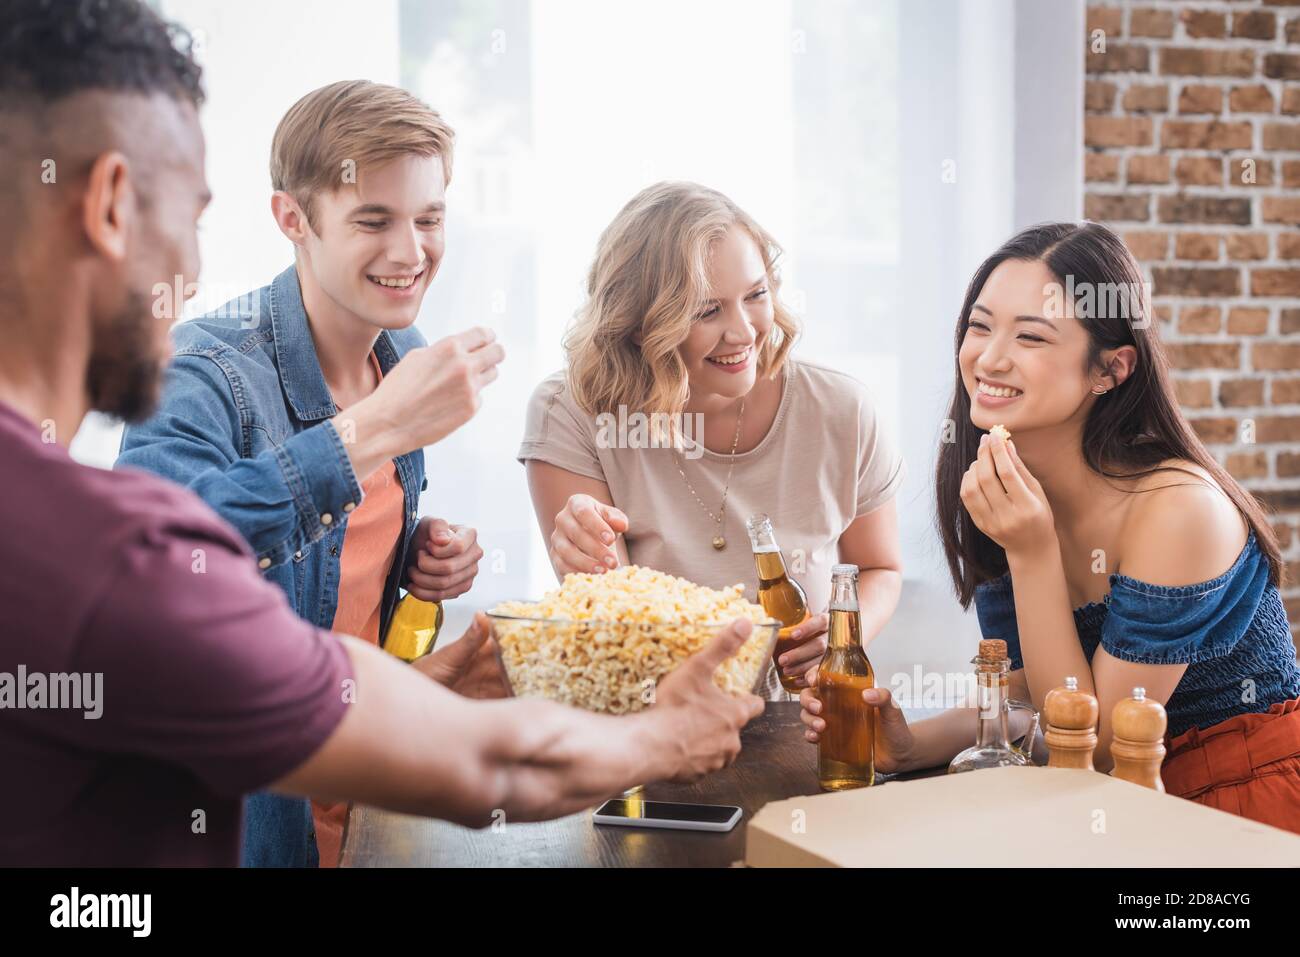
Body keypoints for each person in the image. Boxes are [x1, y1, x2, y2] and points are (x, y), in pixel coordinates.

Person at [0, 0, 763, 868]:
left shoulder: (400, 359)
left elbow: (290, 664)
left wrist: (427, 639)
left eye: (429, 218)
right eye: (189, 212)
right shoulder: (127, 506)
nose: (195, 264)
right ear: (107, 206)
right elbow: (185, 576)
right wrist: (662, 739)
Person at [800, 222, 1300, 834]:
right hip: (1109, 807)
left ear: (1109, 369)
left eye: (1031, 337)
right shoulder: (1004, 480)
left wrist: (1032, 553)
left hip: (1242, 804)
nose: (989, 357)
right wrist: (908, 746)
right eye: (980, 326)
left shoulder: (1179, 508)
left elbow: (1100, 746)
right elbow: (1032, 692)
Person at [117, 79, 487, 868]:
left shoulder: (402, 354)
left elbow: (331, 569)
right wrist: (374, 429)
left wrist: (418, 549)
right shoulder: (203, 368)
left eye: (429, 218)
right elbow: (146, 565)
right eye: (373, 220)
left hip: (366, 790)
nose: (411, 251)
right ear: (293, 218)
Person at [520, 182, 905, 698]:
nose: (743, 331)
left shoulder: (841, 410)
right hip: (653, 721)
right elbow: (616, 614)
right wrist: (583, 547)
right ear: (637, 323)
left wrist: (843, 636)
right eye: (706, 311)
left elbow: (881, 568)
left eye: (756, 295)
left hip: (804, 725)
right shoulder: (573, 412)